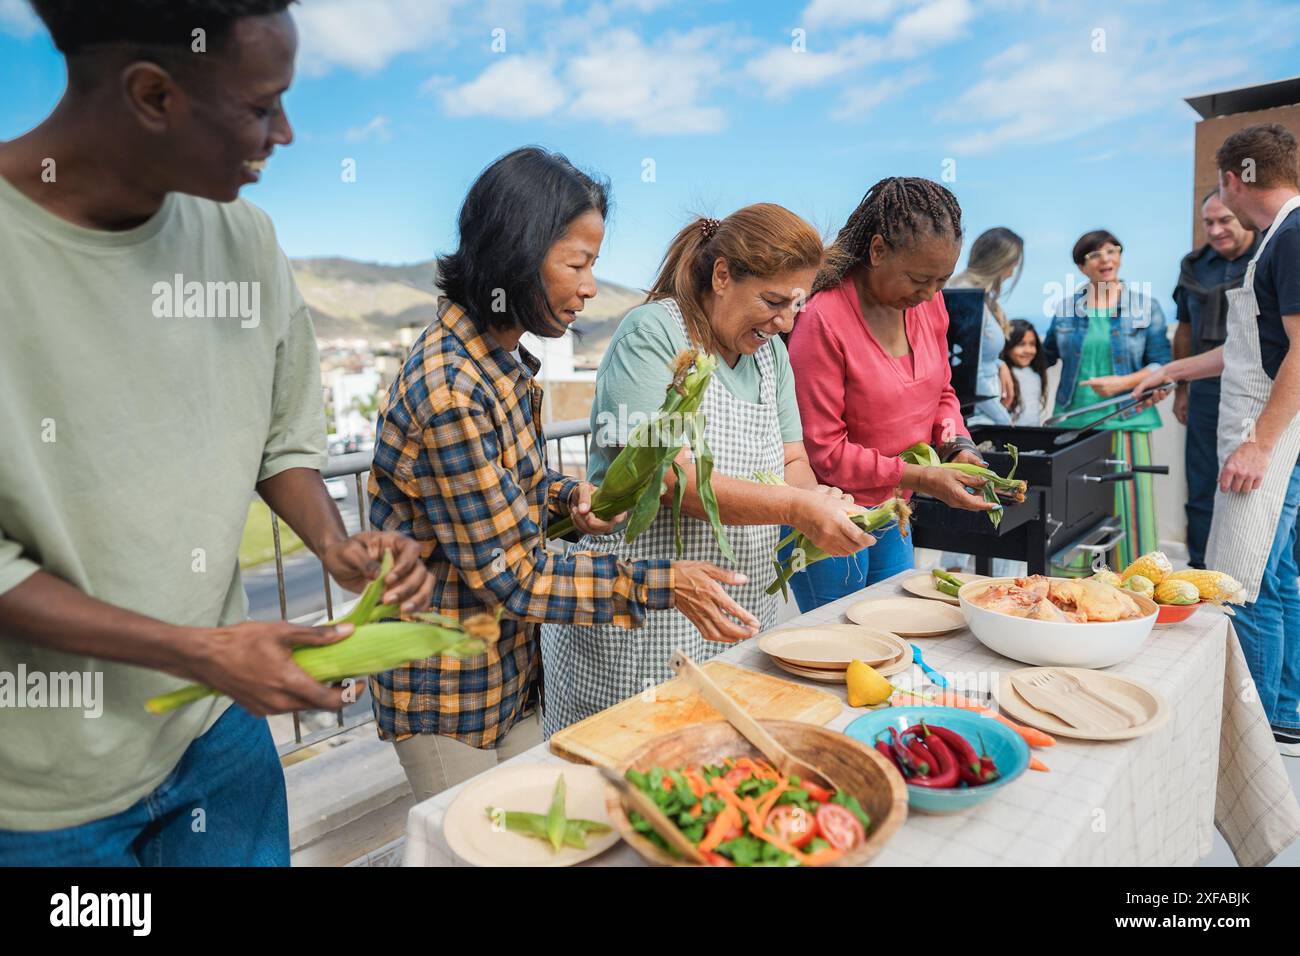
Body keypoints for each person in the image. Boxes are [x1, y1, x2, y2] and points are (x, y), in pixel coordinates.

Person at [0, 0, 433, 867]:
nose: (287, 133)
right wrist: (201, 652)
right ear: (154, 94)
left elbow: (281, 440)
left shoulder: (243, 237)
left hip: (220, 737)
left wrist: (337, 544)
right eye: (262, 105)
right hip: (47, 795)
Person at [366, 149, 763, 801]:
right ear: (516, 253)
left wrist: (570, 494)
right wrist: (665, 583)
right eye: (576, 264)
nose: (588, 287)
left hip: (512, 677)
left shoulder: (501, 362)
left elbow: (510, 486)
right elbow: (514, 575)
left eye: (594, 266)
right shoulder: (449, 392)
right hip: (448, 696)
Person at [540, 206, 875, 735]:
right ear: (722, 277)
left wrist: (823, 503)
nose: (785, 321)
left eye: (796, 304)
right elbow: (667, 479)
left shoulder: (772, 359)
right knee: (629, 764)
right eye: (772, 301)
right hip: (645, 608)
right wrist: (797, 508)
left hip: (736, 606)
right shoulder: (652, 335)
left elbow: (792, 462)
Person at [1134, 124, 1300, 757]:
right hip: (1267, 436)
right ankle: (1283, 714)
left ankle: (1248, 740)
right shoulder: (1279, 239)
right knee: (1279, 575)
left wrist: (1258, 443)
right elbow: (1249, 350)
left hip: (1265, 441)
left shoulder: (1291, 237)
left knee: (1239, 584)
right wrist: (1169, 372)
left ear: (1235, 180)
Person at [784, 177, 997, 611]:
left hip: (895, 510)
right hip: (831, 515)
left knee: (894, 626)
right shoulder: (822, 320)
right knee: (837, 651)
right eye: (919, 279)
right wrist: (922, 478)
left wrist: (958, 445)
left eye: (942, 280)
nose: (930, 294)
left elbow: (943, 393)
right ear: (877, 250)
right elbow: (823, 451)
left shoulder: (928, 304)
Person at [1042, 230, 1172, 571]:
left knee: (1133, 511)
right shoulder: (1065, 308)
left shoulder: (1146, 307)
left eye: (1113, 251)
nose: (1107, 259)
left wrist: (1123, 384)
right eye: (1096, 255)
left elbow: (1162, 363)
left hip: (1129, 419)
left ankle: (1137, 585)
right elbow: (1045, 357)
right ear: (1081, 266)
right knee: (1076, 511)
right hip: (1075, 422)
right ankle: (1073, 588)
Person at [1172, 192, 1260, 569]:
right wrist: (1182, 387)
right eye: (1209, 223)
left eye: (1225, 220)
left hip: (1257, 389)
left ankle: (1249, 573)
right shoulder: (1193, 266)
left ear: (1243, 217)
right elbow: (1184, 330)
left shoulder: (1267, 256)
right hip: (1204, 387)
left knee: (1254, 483)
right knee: (1203, 481)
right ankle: (1200, 572)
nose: (1216, 229)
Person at [947, 227, 1025, 426]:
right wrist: (1004, 420)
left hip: (984, 411)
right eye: (1013, 261)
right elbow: (969, 375)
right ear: (1001, 261)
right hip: (977, 416)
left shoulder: (975, 295)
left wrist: (1000, 364)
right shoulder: (965, 296)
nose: (1013, 269)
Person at [1003, 319, 1048, 427]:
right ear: (1007, 346)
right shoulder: (1003, 376)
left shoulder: (1036, 375)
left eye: (1032, 344)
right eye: (1021, 344)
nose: (1028, 350)